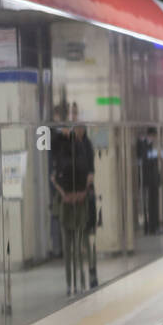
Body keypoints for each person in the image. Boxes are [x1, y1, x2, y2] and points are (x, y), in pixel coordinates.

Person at [51, 121, 94, 295]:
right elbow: (54, 177)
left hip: (78, 202)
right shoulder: (59, 147)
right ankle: (71, 283)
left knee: (78, 247)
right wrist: (65, 195)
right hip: (66, 204)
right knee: (69, 248)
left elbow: (88, 173)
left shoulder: (82, 147)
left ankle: (82, 280)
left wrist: (82, 192)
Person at [70, 122, 98, 289]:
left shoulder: (87, 146)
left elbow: (90, 174)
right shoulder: (71, 146)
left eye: (80, 128)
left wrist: (83, 190)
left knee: (86, 235)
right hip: (74, 196)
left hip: (85, 196)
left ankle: (92, 270)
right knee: (77, 237)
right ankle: (79, 274)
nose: (79, 131)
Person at [136, 127, 162, 235]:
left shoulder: (151, 145)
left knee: (154, 203)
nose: (155, 138)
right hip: (148, 179)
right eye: (154, 136)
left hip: (154, 178)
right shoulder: (144, 145)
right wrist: (156, 155)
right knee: (151, 204)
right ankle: (151, 227)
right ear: (151, 135)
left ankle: (154, 226)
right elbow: (145, 159)